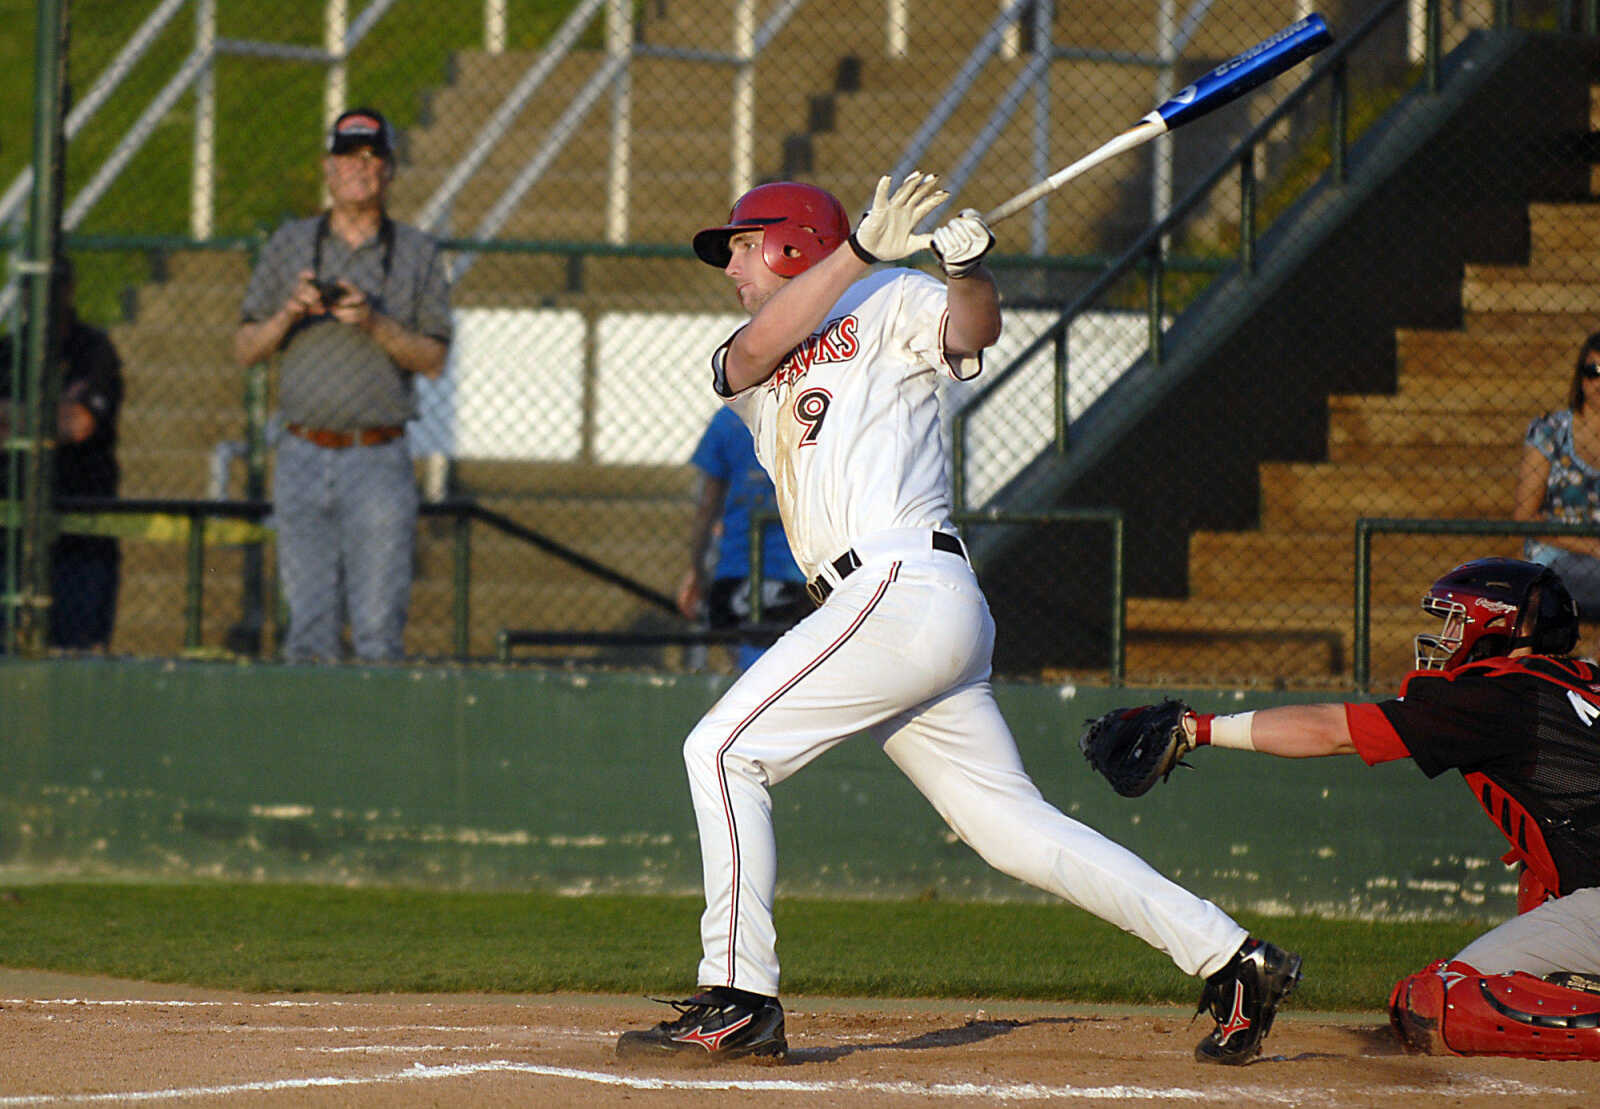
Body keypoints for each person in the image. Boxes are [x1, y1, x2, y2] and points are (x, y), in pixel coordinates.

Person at [614, 175, 1301, 1066]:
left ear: (790, 246)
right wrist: (860, 251)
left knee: (721, 749)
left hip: (902, 581)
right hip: (888, 609)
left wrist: (969, 268)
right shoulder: (765, 358)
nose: (733, 267)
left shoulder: (893, 297)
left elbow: (973, 326)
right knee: (1013, 830)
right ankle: (1232, 956)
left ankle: (740, 996)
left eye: (745, 247)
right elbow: (750, 354)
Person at [1103, 557, 1600, 1058]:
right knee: (1540, 883)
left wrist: (1198, 729)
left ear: (1494, 623)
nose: (1446, 636)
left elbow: (1331, 730)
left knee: (1433, 1005)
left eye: (1455, 620)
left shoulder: (1497, 691)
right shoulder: (1584, 680)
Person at [232, 108, 452, 662]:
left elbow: (433, 358)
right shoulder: (291, 244)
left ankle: (377, 744)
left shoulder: (417, 252)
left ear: (390, 170)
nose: (360, 168)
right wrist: (290, 312)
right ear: (326, 169)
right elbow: (244, 348)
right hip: (302, 449)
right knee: (307, 629)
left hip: (378, 456)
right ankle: (310, 745)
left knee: (379, 629)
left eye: (371, 156)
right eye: (347, 156)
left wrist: (373, 322)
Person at [0, 257, 125, 649]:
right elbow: (65, 421)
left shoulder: (94, 349)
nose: (38, 299)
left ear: (68, 291)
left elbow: (81, 424)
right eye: (30, 288)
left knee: (75, 655)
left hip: (80, 532)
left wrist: (11, 415)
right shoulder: (6, 352)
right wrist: (52, 415)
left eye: (51, 288)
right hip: (10, 535)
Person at [679, 404, 808, 671]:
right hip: (807, 573)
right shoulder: (812, 410)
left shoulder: (729, 419)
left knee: (750, 670)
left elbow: (707, 505)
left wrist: (698, 568)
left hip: (738, 572)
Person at [1513, 331, 1600, 615]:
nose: (1599, 381)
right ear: (1580, 376)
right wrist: (1592, 547)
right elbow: (1525, 515)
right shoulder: (1550, 431)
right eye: (1592, 371)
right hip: (1556, 556)